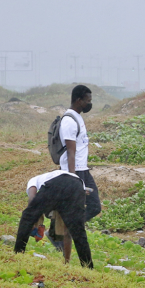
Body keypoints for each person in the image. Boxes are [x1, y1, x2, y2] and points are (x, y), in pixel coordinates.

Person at [56, 85, 100, 261]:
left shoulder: (77, 117)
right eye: (87, 101)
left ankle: (66, 227)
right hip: (74, 172)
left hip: (83, 170)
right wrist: (74, 178)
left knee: (95, 206)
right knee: (75, 210)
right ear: (78, 100)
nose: (89, 104)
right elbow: (70, 152)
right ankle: (64, 233)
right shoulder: (69, 121)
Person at [15, 170, 94, 268]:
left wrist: (32, 219)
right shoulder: (50, 177)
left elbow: (32, 198)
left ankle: (18, 253)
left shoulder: (34, 180)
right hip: (77, 185)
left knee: (27, 216)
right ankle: (88, 266)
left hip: (56, 183)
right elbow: (67, 233)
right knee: (78, 231)